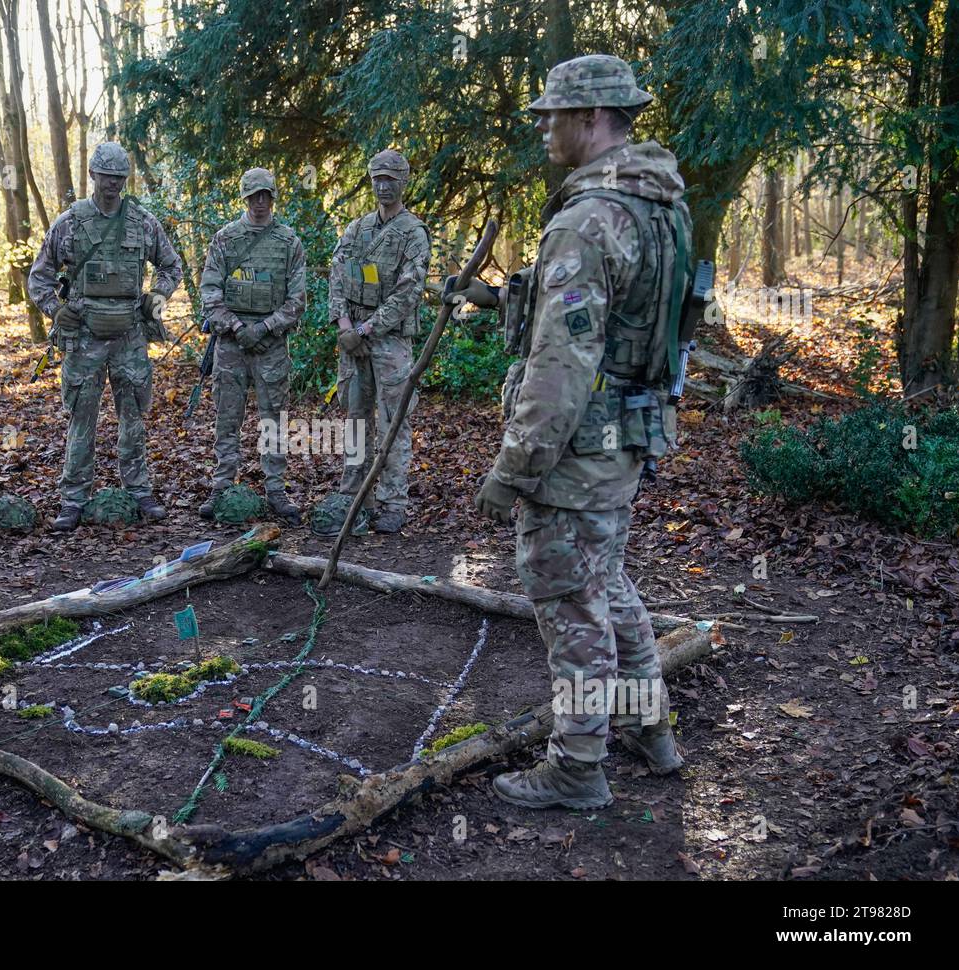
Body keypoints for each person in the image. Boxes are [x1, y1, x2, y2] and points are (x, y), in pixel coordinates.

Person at [450, 54, 690, 809]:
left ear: (592, 118)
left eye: (554, 114)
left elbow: (561, 366)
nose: (544, 128)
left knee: (572, 605)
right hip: (629, 435)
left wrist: (513, 468)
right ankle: (651, 732)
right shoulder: (661, 206)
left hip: (577, 452)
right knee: (610, 587)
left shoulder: (589, 220)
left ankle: (578, 767)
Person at [27, 142, 183, 530]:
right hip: (84, 337)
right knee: (82, 416)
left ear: (124, 180)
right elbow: (39, 276)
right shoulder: (70, 223)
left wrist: (157, 300)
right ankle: (73, 498)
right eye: (105, 175)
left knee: (133, 415)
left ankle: (139, 490)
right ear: (92, 176)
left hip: (130, 333)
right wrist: (56, 310)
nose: (112, 183)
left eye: (118, 177)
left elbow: (171, 266)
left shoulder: (142, 222)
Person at [325, 149, 431, 534]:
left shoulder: (413, 233)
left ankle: (392, 501)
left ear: (404, 182)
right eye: (377, 179)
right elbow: (336, 276)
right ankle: (355, 495)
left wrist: (366, 329)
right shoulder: (356, 229)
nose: (383, 186)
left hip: (389, 344)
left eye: (391, 179)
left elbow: (407, 294)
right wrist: (343, 325)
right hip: (353, 342)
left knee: (392, 424)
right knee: (355, 422)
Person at [197, 167, 307, 525]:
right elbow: (209, 291)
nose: (260, 203)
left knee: (273, 420)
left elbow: (297, 299)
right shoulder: (226, 239)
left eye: (266, 196)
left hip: (270, 346)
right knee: (227, 417)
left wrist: (263, 329)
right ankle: (222, 486)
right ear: (244, 198)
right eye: (253, 196)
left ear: (273, 197)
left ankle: (276, 489)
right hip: (231, 345)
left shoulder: (288, 242)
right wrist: (235, 326)